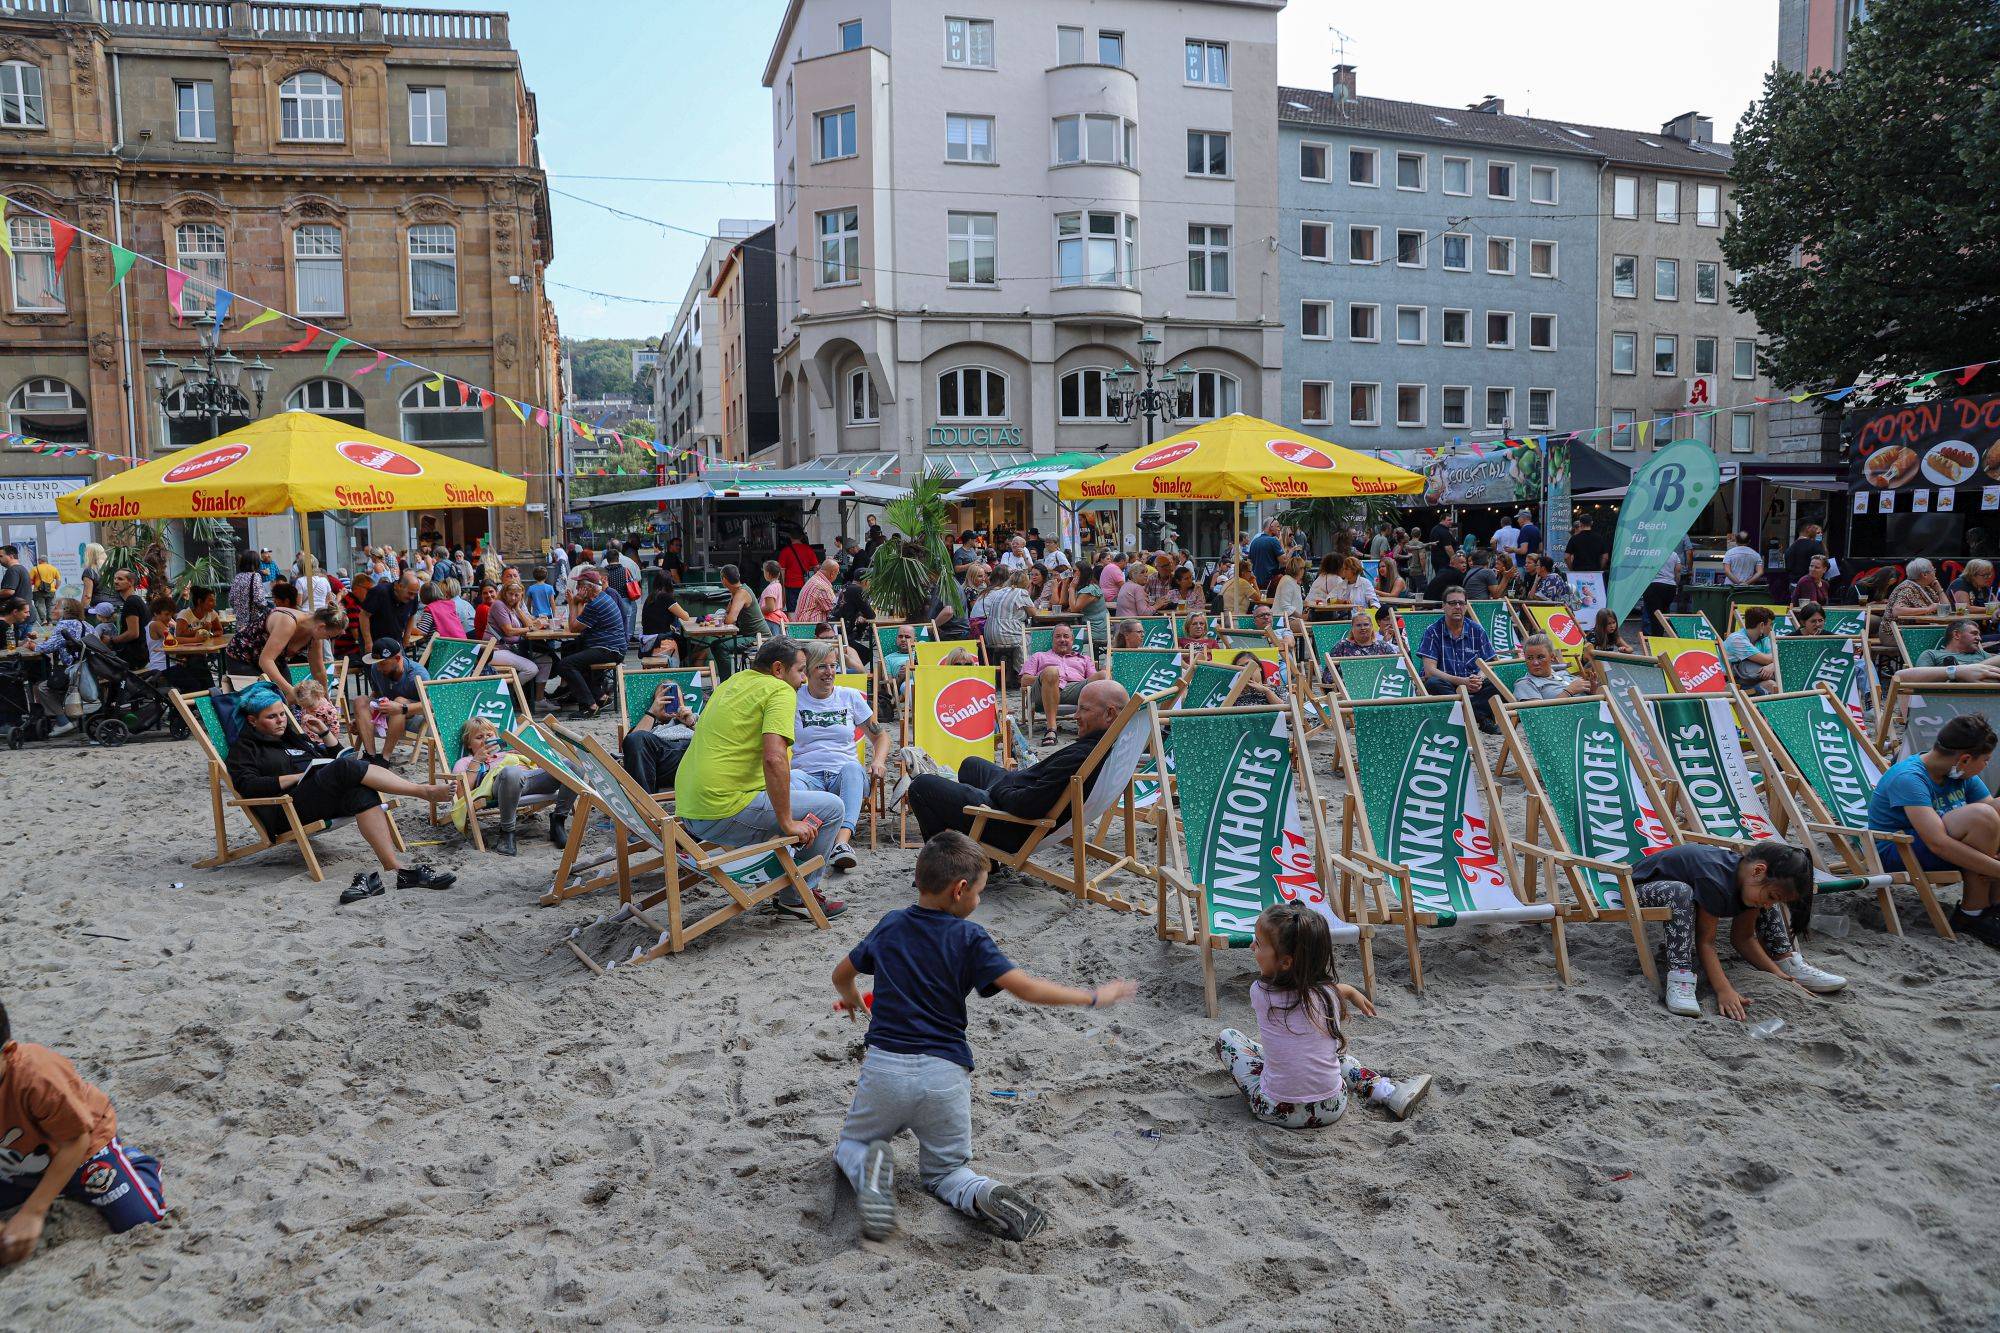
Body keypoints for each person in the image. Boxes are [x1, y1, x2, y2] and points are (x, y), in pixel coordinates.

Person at [831, 830, 1136, 1243]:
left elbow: (842, 974)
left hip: (885, 1070)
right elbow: (1026, 989)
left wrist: (852, 1000)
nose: (978, 900)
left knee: (852, 1146)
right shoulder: (970, 938)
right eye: (980, 892)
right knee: (947, 1172)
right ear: (960, 890)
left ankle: (867, 1166)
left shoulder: (891, 925)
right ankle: (982, 1192)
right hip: (944, 1075)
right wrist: (1094, 996)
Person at [225, 682, 456, 903]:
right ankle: (422, 791)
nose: (280, 721)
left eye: (282, 714)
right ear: (252, 720)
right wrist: (297, 777)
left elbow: (339, 758)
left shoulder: (292, 738)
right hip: (288, 810)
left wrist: (325, 732)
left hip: (317, 797)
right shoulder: (244, 749)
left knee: (359, 789)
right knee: (345, 769)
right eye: (272, 717)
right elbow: (247, 786)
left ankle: (394, 867)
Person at [1213, 901, 1428, 1130]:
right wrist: (1350, 991)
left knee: (1227, 1039)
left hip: (1277, 1109)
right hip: (1333, 1105)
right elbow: (1322, 990)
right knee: (1339, 1059)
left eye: (1259, 943)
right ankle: (1388, 1093)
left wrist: (1346, 991)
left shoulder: (1260, 992)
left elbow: (1294, 992)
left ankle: (1281, 1082)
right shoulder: (1328, 996)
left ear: (1285, 962)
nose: (1251, 946)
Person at [673, 637, 845, 918]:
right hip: (723, 810)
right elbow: (774, 758)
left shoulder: (733, 681)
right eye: (801, 671)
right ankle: (796, 898)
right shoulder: (779, 690)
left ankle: (788, 878)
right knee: (832, 808)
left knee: (796, 790)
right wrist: (788, 822)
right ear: (779, 669)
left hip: (689, 808)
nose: (803, 680)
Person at [0, 998, 169, 1267]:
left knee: (141, 1220)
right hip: (15, 1163)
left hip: (81, 1151)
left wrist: (33, 1212)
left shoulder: (37, 1077)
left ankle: (134, 1161)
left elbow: (76, 1140)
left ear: (8, 1052)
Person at [903, 680, 1127, 850]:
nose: (1075, 716)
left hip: (1010, 823)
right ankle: (975, 848)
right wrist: (1010, 781)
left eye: (1084, 709)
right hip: (1017, 793)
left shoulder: (1080, 758)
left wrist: (999, 789)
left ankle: (945, 864)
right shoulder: (1106, 748)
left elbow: (1027, 807)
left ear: (1109, 714)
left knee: (921, 787)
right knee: (970, 765)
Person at [1629, 840, 1844, 1018]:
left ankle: (1786, 964)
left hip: (1703, 886)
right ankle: (1680, 974)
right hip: (1638, 887)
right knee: (1681, 891)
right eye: (1772, 897)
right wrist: (1724, 990)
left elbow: (1744, 938)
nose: (1769, 905)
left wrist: (1777, 975)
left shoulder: (1748, 882)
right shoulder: (1715, 880)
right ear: (1758, 871)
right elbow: (1706, 942)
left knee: (1762, 901)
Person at [1865, 713, 2000, 946]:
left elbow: (1994, 810)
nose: (1986, 764)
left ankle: (1995, 909)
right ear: (1965, 759)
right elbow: (1937, 842)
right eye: (1986, 759)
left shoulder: (1957, 771)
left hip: (1937, 848)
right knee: (1981, 817)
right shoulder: (1910, 777)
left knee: (1991, 813)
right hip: (1899, 851)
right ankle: (1973, 913)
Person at [793, 642, 890, 871]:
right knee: (792, 777)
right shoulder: (793, 699)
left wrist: (878, 761)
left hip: (843, 779)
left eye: (833, 666)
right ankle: (800, 840)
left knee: (853, 769)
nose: (829, 673)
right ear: (807, 670)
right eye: (822, 667)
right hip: (807, 776)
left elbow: (881, 737)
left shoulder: (849, 697)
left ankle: (841, 844)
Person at [450, 716, 575, 856]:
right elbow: (461, 795)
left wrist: (525, 755)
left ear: (496, 737)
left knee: (573, 767)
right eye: (479, 737)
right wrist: (477, 760)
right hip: (503, 787)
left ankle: (558, 821)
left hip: (531, 781)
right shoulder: (466, 761)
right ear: (468, 744)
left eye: (489, 735)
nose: (485, 740)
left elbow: (540, 768)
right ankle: (507, 831)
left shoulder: (509, 753)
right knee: (511, 771)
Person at [229, 586, 342, 704]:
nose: (328, 640)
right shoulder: (288, 622)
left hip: (274, 660)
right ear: (321, 627)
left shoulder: (315, 635)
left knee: (288, 703)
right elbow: (266, 660)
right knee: (260, 704)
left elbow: (318, 670)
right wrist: (291, 691)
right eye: (329, 636)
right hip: (242, 656)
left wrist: (325, 700)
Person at [548, 568, 627, 716]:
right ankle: (601, 697)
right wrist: (579, 602)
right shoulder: (601, 598)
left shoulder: (595, 604)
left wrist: (572, 603)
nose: (577, 589)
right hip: (612, 648)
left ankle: (590, 706)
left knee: (565, 665)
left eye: (579, 586)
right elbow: (579, 624)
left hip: (609, 650)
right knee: (571, 651)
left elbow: (573, 628)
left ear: (587, 588)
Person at [1417, 587, 1498, 731]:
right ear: (1443, 606)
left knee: (1497, 682)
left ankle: (1465, 711)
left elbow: (1491, 662)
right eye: (1453, 603)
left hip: (1474, 686)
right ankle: (1480, 715)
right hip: (1447, 684)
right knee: (1433, 683)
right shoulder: (1433, 631)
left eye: (1461, 603)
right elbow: (1430, 671)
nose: (1457, 607)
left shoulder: (1476, 629)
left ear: (1466, 606)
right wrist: (1462, 682)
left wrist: (1479, 679)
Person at [1021, 623, 1101, 747]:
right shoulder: (1039, 656)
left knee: (1103, 675)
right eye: (1058, 636)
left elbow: (1096, 681)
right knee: (1051, 671)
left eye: (1066, 636)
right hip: (1043, 692)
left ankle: (1096, 727)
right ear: (1052, 640)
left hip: (1076, 691)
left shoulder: (1084, 659)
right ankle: (1051, 729)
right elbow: (1024, 680)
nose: (1062, 640)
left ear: (1072, 640)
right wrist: (1048, 678)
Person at [619, 681, 699, 794]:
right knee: (636, 738)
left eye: (674, 698)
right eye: (664, 699)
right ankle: (646, 807)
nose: (669, 702)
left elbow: (713, 741)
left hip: (693, 756)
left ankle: (645, 806)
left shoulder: (696, 720)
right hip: (661, 763)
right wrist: (652, 712)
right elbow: (631, 744)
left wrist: (691, 723)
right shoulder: (648, 725)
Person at [359, 639, 429, 757]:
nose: (379, 668)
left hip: (415, 718)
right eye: (377, 663)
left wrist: (402, 708)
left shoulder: (418, 674)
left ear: (397, 659)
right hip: (387, 714)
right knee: (360, 700)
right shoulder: (376, 668)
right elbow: (376, 694)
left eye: (382, 663)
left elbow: (432, 705)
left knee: (398, 701)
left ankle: (385, 757)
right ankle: (371, 755)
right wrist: (362, 716)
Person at [483, 581, 542, 689]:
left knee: (545, 659)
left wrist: (518, 608)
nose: (513, 598)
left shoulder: (513, 607)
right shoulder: (498, 605)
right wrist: (530, 628)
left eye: (517, 595)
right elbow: (509, 631)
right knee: (531, 669)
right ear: (505, 593)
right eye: (511, 594)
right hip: (495, 650)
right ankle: (507, 692)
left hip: (509, 648)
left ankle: (537, 698)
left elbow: (529, 624)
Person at [979, 569, 1035, 675]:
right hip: (1005, 633)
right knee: (1027, 637)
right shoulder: (1021, 592)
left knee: (1022, 635)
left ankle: (1012, 673)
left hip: (990, 634)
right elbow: (1033, 613)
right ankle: (1024, 672)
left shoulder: (1000, 591)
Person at [1513, 633, 1592, 700]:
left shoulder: (1564, 675)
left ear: (1552, 657)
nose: (1535, 663)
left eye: (1540, 657)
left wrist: (1593, 688)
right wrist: (1568, 692)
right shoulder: (1525, 684)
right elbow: (1538, 715)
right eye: (1530, 658)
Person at [1721, 607, 1779, 694]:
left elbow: (1777, 657)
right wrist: (1774, 662)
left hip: (1752, 679)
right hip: (1732, 683)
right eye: (1770, 625)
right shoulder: (1737, 639)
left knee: (1779, 682)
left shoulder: (1763, 638)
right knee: (1772, 685)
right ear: (1762, 625)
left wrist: (1772, 665)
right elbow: (1768, 659)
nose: (1771, 629)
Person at [292, 677, 343, 746]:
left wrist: (333, 744)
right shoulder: (309, 702)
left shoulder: (328, 710)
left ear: (318, 696)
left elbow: (335, 727)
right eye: (303, 706)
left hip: (322, 742)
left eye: (310, 706)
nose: (307, 709)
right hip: (308, 738)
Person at [777, 529, 818, 612]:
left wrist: (782, 588)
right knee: (805, 609)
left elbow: (782, 571)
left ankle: (793, 625)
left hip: (790, 585)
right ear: (802, 537)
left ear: (790, 537)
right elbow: (816, 567)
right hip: (805, 585)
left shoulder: (785, 551)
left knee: (792, 610)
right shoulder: (809, 550)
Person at [1641, 543, 1682, 625]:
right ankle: (1661, 633)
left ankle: (1655, 636)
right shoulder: (1674, 554)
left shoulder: (1651, 553)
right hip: (1670, 587)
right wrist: (1676, 584)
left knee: (1654, 616)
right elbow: (1678, 572)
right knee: (1664, 613)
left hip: (1653, 586)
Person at [1782, 523, 1824, 599]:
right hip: (1810, 584)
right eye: (1818, 533)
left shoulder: (1792, 547)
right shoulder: (1816, 546)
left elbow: (1788, 566)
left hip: (1793, 583)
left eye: (1821, 533)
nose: (1820, 535)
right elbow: (1824, 563)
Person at [795, 559, 839, 626]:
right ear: (832, 573)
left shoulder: (815, 579)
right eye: (837, 573)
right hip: (810, 628)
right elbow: (834, 609)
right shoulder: (822, 586)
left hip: (802, 625)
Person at [1248, 518, 1285, 589]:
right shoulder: (1273, 540)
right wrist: (1281, 541)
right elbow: (1284, 561)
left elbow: (1249, 562)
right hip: (1271, 583)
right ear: (1271, 527)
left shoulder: (1254, 541)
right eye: (1277, 526)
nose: (1279, 529)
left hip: (1256, 583)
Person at [143, 595, 174, 674]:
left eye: (171, 614)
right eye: (166, 614)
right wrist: (195, 639)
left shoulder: (152, 624)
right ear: (156, 613)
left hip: (164, 665)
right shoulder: (156, 624)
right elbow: (172, 641)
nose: (169, 617)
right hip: (163, 667)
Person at [758, 559, 790, 630]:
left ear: (768, 574)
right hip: (777, 619)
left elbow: (770, 608)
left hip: (770, 620)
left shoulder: (770, 588)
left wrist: (756, 610)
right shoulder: (778, 585)